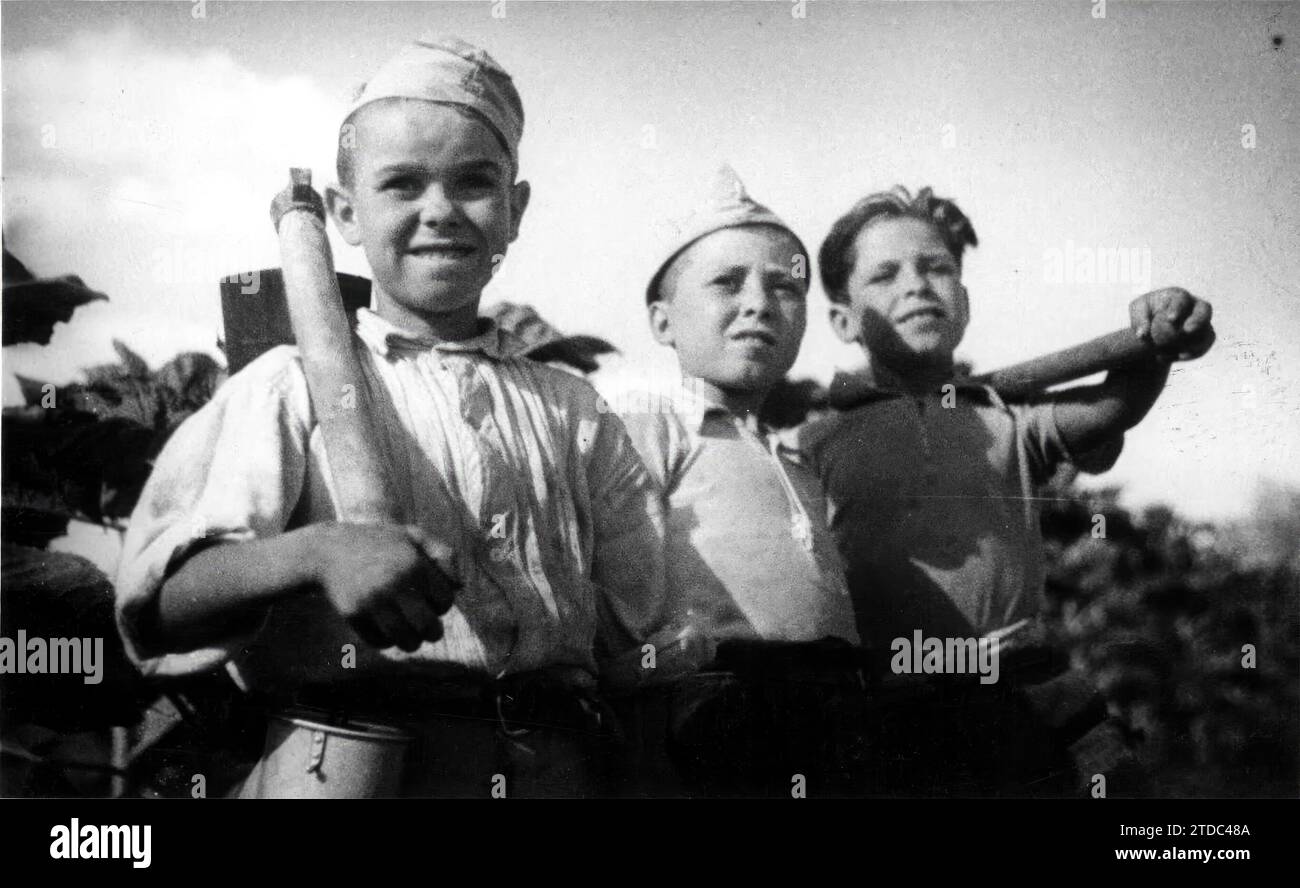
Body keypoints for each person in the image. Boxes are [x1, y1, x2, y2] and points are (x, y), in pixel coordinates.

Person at [114, 36, 668, 798]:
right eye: (402, 185)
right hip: (353, 765)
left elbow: (634, 632)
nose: (440, 211)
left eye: (475, 182)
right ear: (344, 213)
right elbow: (162, 610)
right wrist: (316, 553)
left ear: (516, 208)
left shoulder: (574, 412)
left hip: (551, 768)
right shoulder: (291, 385)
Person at [797, 185, 1215, 794]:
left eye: (936, 268)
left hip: (1028, 683)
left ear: (963, 305)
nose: (916, 284)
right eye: (885, 275)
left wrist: (1159, 337)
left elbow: (1111, 407)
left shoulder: (1006, 419)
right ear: (843, 320)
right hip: (894, 711)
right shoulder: (815, 443)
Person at [601, 166, 867, 797]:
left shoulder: (795, 459)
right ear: (663, 323)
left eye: (784, 287)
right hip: (714, 716)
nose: (758, 303)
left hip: (830, 713)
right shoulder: (652, 424)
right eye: (726, 282)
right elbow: (612, 588)